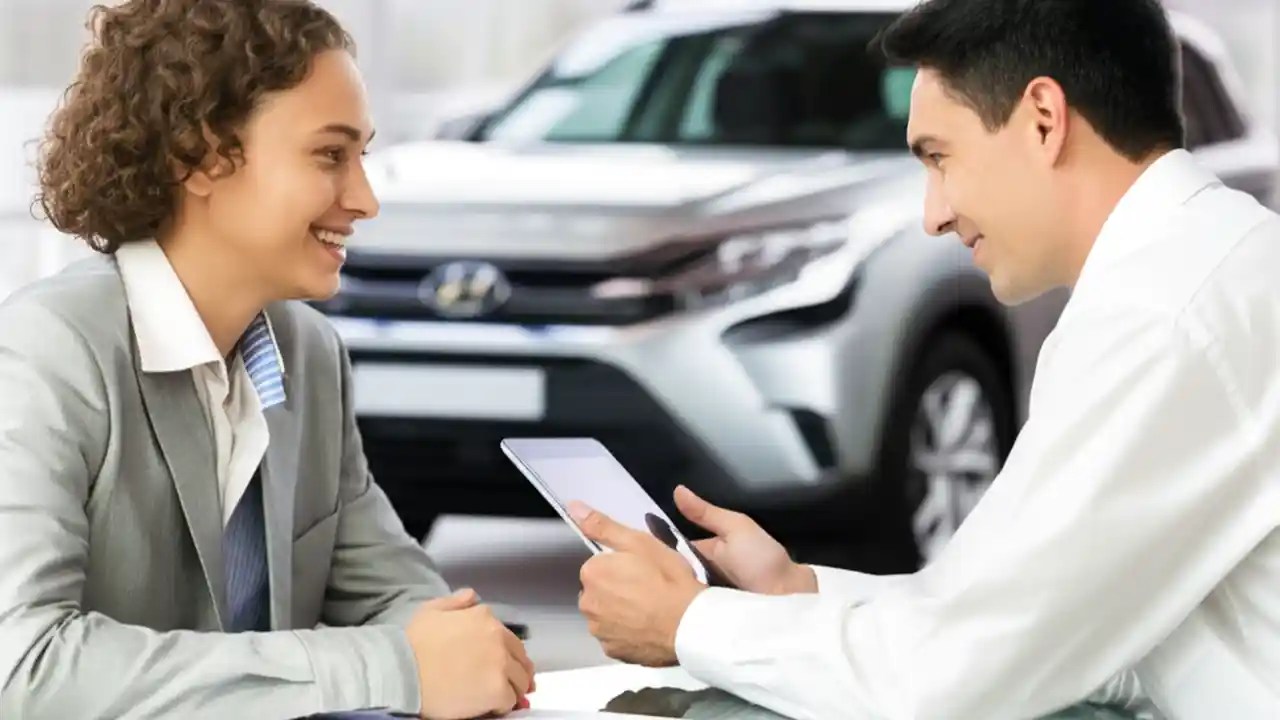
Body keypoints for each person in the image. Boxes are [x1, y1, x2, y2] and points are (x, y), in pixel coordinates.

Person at [569, 0, 1280, 717]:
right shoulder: (1205, 268)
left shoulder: (1160, 316)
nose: (932, 214)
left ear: (1043, 120)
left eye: (940, 158)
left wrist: (690, 624)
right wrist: (794, 593)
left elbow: (958, 679)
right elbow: (1040, 628)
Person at [0, 1, 533, 718]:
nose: (366, 200)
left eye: (362, 157)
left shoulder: (309, 354)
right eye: (330, 155)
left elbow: (396, 594)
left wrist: (467, 651)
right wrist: (388, 666)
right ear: (199, 155)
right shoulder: (47, 352)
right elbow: (21, 664)